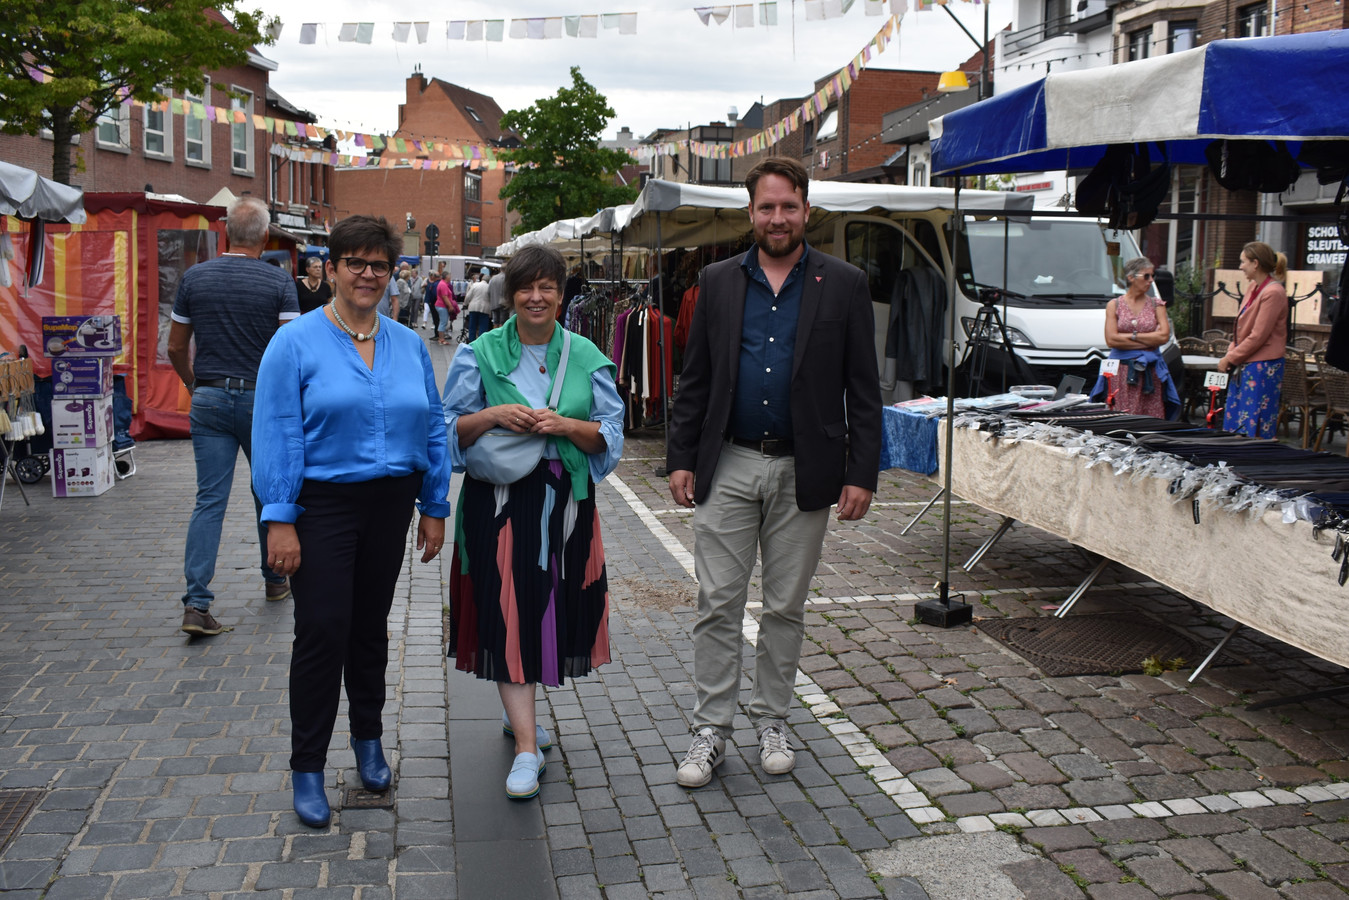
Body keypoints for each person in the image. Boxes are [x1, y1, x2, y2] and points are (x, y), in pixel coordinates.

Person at [666, 157, 882, 788]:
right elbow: (695, 380)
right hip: (729, 461)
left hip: (805, 468)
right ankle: (712, 727)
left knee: (785, 606)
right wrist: (681, 457)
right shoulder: (717, 281)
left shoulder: (843, 284)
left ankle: (772, 719)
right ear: (750, 213)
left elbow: (863, 388)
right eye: (767, 207)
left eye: (789, 207)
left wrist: (861, 472)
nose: (778, 218)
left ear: (806, 211)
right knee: (717, 604)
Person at [251, 214, 451, 828]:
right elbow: (278, 432)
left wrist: (434, 504)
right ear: (331, 268)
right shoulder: (296, 342)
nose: (368, 275)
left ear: (393, 274)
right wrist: (278, 517)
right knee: (322, 629)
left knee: (368, 629)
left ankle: (369, 740)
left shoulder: (408, 342)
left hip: (391, 505)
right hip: (323, 506)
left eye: (380, 265)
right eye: (356, 263)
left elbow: (432, 422)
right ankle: (307, 766)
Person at [442, 243, 624, 800]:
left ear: (562, 293)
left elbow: (610, 436)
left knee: (551, 609)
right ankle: (526, 746)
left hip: (565, 510)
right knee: (509, 616)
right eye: (526, 287)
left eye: (547, 287)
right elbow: (447, 428)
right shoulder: (480, 353)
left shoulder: (588, 354)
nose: (537, 296)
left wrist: (566, 426)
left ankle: (519, 717)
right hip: (498, 506)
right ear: (510, 294)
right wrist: (495, 415)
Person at [167, 195, 299, 638]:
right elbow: (288, 354)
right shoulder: (279, 283)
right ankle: (276, 578)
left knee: (209, 501)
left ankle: (196, 603)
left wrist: (194, 385)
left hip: (209, 398)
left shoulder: (194, 278)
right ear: (265, 237)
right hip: (262, 402)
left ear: (225, 233)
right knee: (269, 493)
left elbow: (174, 347)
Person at [1092, 257, 1179, 418]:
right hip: (1121, 371)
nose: (1151, 280)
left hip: (1150, 372)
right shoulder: (1114, 305)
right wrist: (1149, 339)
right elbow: (1111, 340)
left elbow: (1163, 337)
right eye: (1146, 276)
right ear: (1131, 277)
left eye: (1152, 276)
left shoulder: (1157, 305)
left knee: (1150, 417)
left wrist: (1129, 336)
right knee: (1120, 414)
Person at [1219, 241, 1289, 438]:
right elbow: (1241, 327)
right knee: (1236, 419)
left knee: (1255, 420)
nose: (1241, 267)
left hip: (1263, 365)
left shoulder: (1273, 292)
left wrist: (1230, 358)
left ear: (1255, 263)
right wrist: (1231, 352)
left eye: (1243, 262)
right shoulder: (1253, 288)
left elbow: (1259, 336)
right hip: (1246, 362)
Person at [464, 270, 492, 342]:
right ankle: (480, 342)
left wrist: (465, 304)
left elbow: (468, 296)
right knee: (483, 327)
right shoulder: (489, 287)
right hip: (485, 309)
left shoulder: (475, 285)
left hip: (473, 307)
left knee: (472, 326)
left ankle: (471, 341)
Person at [436, 275, 459, 346]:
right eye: (449, 276)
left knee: (443, 322)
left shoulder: (443, 283)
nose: (450, 277)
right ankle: (441, 339)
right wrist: (450, 306)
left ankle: (441, 338)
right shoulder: (443, 285)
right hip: (442, 305)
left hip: (440, 305)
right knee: (443, 322)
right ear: (446, 277)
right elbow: (444, 297)